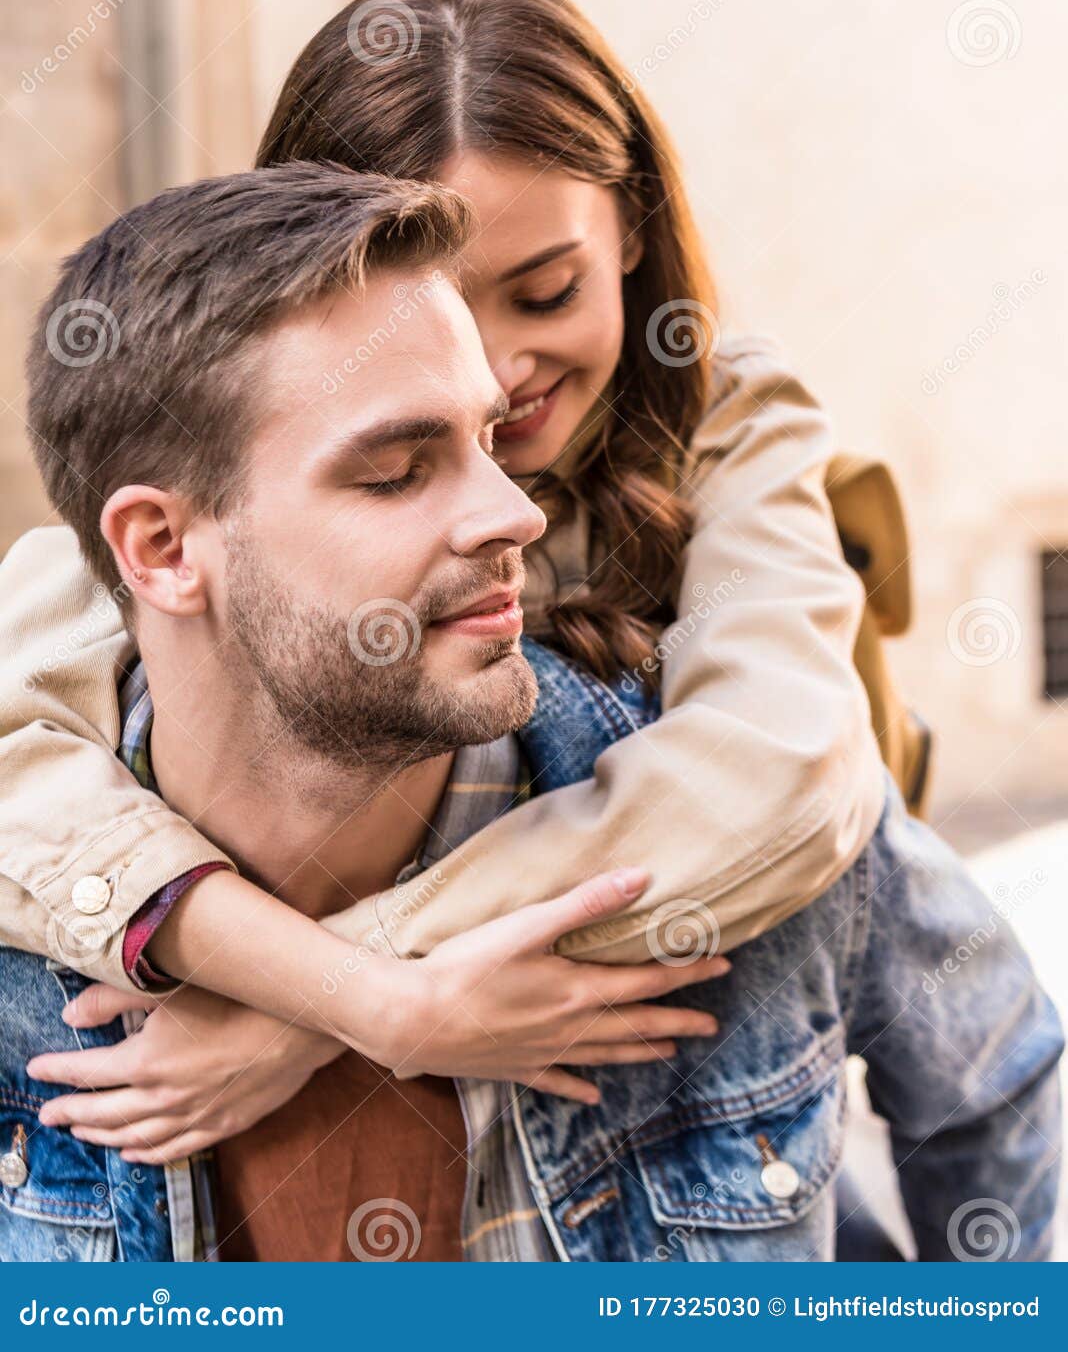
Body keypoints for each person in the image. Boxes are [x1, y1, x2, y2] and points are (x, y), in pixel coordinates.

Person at [3, 161, 1061, 1262]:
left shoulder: (750, 840)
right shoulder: (27, 936)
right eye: (398, 472)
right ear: (165, 550)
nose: (514, 510)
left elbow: (999, 1078)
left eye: (493, 437)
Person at [0, 0, 891, 1158]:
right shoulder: (214, 478)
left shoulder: (727, 419)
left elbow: (786, 769)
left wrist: (325, 1002)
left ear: (628, 227)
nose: (498, 366)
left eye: (545, 291)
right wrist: (360, 997)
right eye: (417, 319)